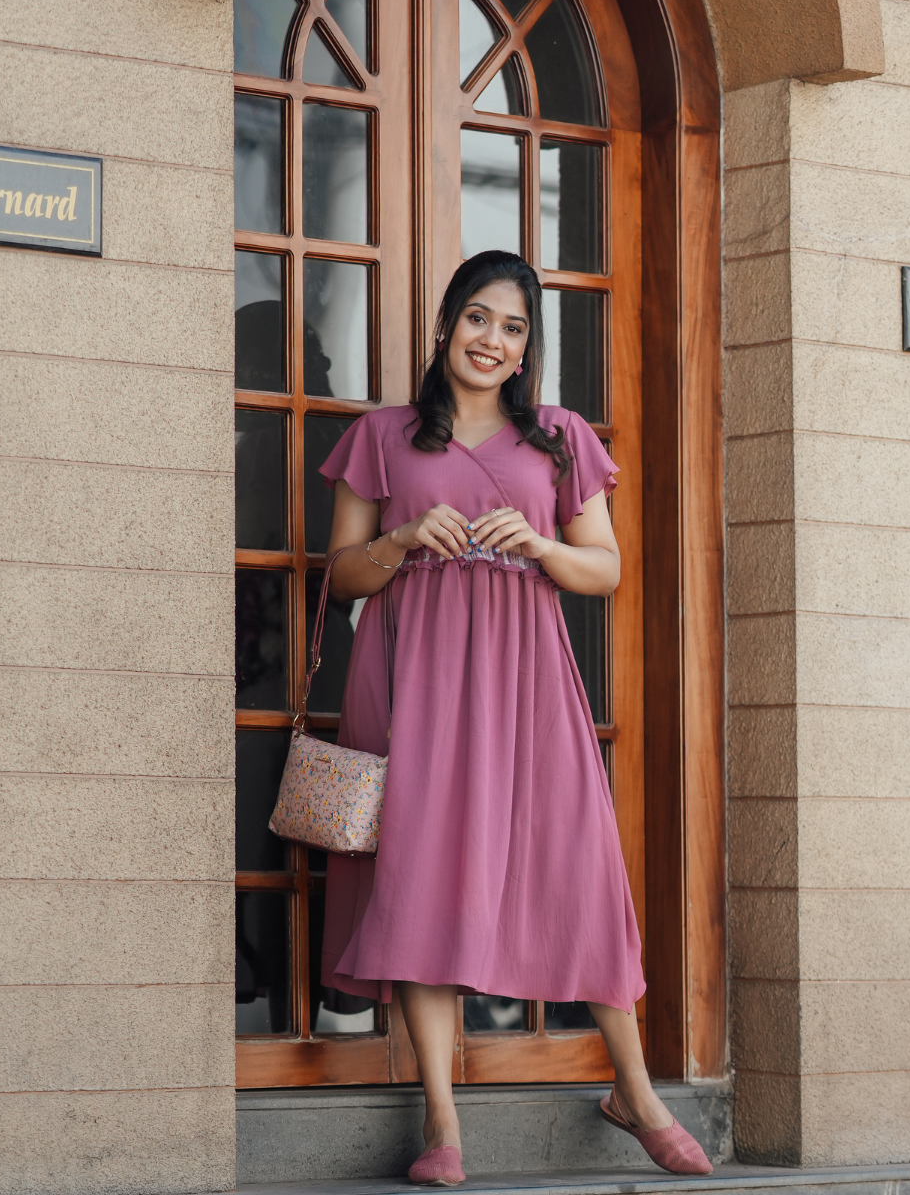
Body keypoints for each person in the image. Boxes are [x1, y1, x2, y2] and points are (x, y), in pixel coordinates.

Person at [318, 251, 712, 1184]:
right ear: (447, 324)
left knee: (579, 866)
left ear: (529, 347)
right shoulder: (383, 436)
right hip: (413, 680)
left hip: (529, 680)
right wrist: (404, 539)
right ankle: (443, 1126)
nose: (493, 340)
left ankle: (636, 1093)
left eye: (514, 327)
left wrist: (539, 544)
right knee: (419, 877)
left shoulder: (562, 438)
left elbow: (605, 570)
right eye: (479, 319)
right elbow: (339, 578)